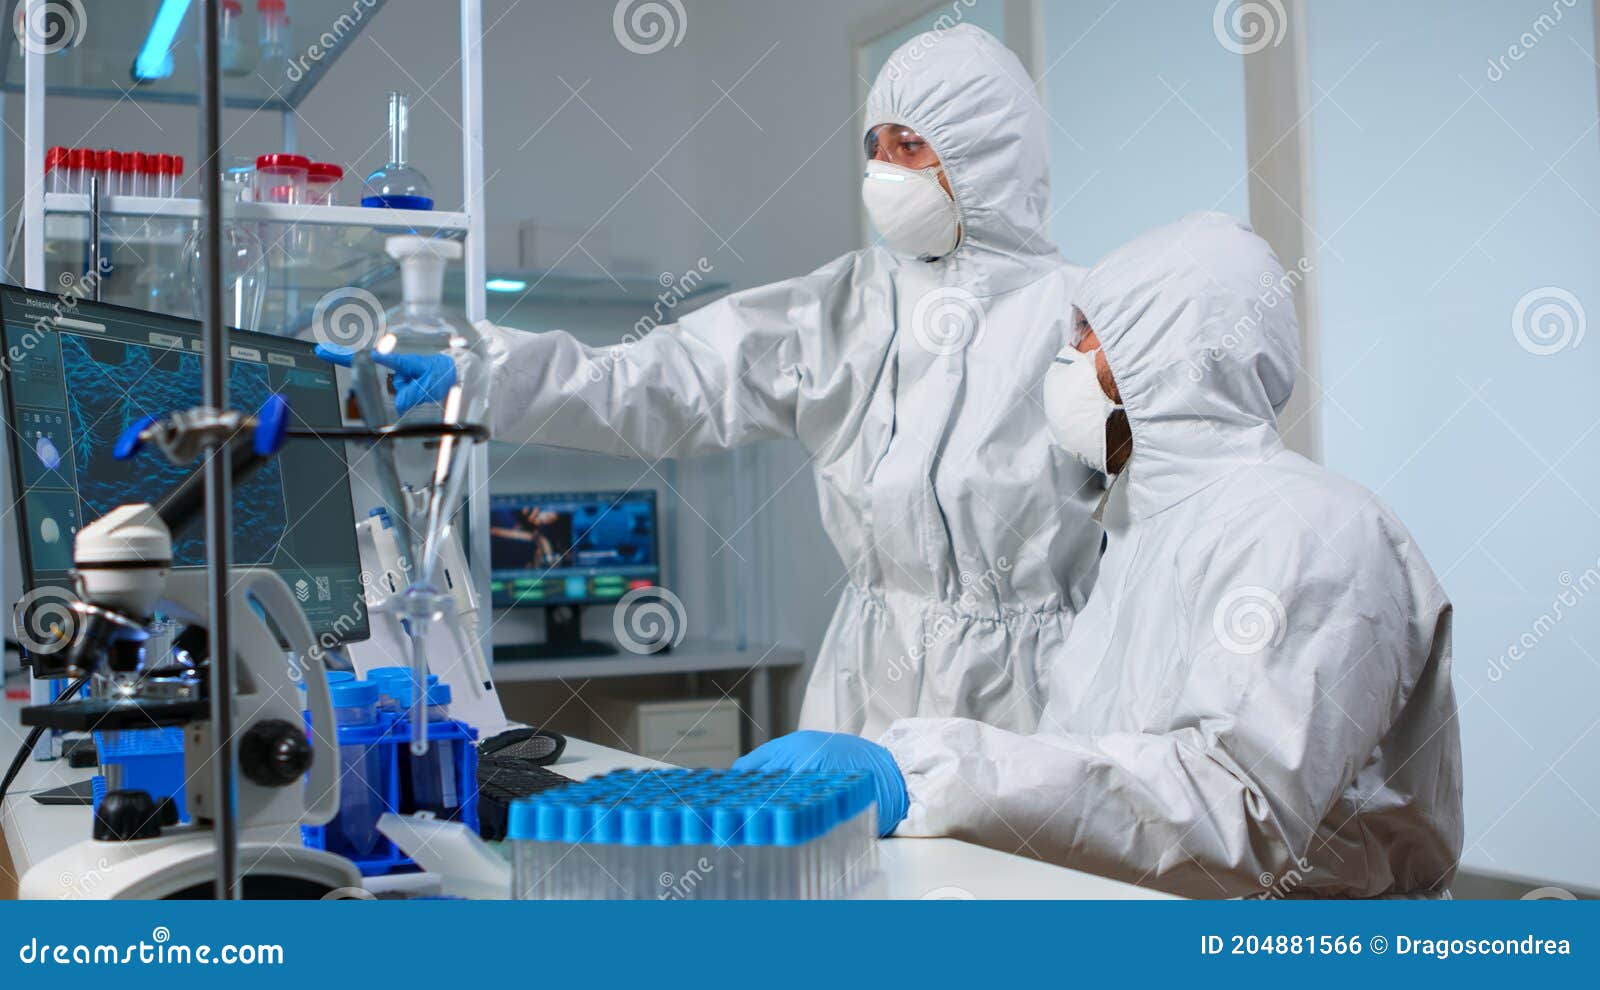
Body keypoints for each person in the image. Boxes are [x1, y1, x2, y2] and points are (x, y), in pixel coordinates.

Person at [324, 25, 1103, 738]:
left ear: (986, 155)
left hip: (1033, 703)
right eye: (877, 146)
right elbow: (661, 382)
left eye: (913, 147)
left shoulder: (1088, 318)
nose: (884, 171)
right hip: (870, 688)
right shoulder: (847, 306)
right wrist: (478, 371)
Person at [737, 213, 1464, 899]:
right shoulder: (1144, 532)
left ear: (1171, 357)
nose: (1064, 361)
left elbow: (1239, 814)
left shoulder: (1310, 530)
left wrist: (924, 775)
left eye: (1086, 336)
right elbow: (1110, 782)